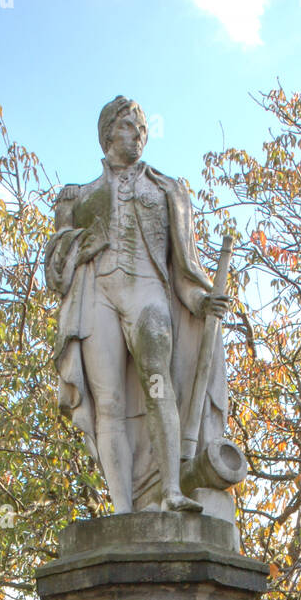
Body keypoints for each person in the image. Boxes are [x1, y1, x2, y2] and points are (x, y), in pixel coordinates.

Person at [44, 96, 231, 514]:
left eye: (143, 128)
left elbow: (182, 270)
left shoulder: (166, 189)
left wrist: (202, 301)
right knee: (108, 403)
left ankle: (171, 490)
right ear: (108, 131)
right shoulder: (80, 195)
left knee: (158, 382)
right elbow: (56, 269)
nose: (139, 135)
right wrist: (75, 233)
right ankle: (123, 512)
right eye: (129, 126)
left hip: (148, 293)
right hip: (99, 299)